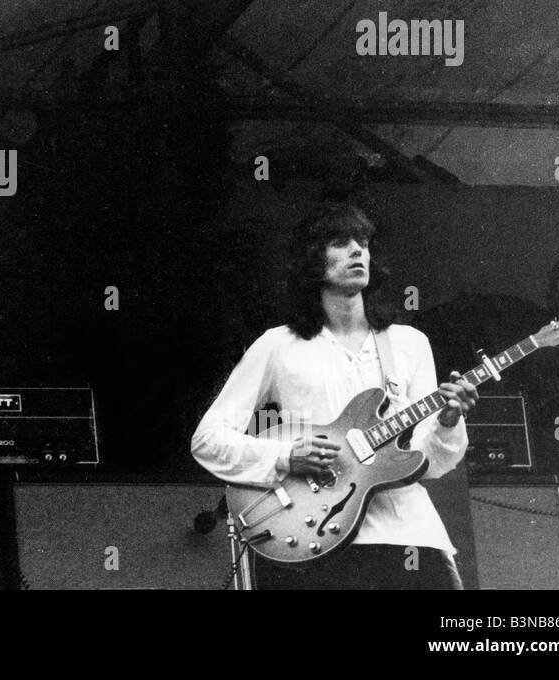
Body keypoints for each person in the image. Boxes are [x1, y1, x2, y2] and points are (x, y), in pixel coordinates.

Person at [191, 202, 477, 589]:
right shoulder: (278, 345)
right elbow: (208, 440)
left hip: (407, 534)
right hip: (315, 538)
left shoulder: (408, 343)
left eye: (362, 242)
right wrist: (285, 456)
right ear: (313, 260)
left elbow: (433, 461)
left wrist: (447, 422)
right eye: (341, 243)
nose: (358, 250)